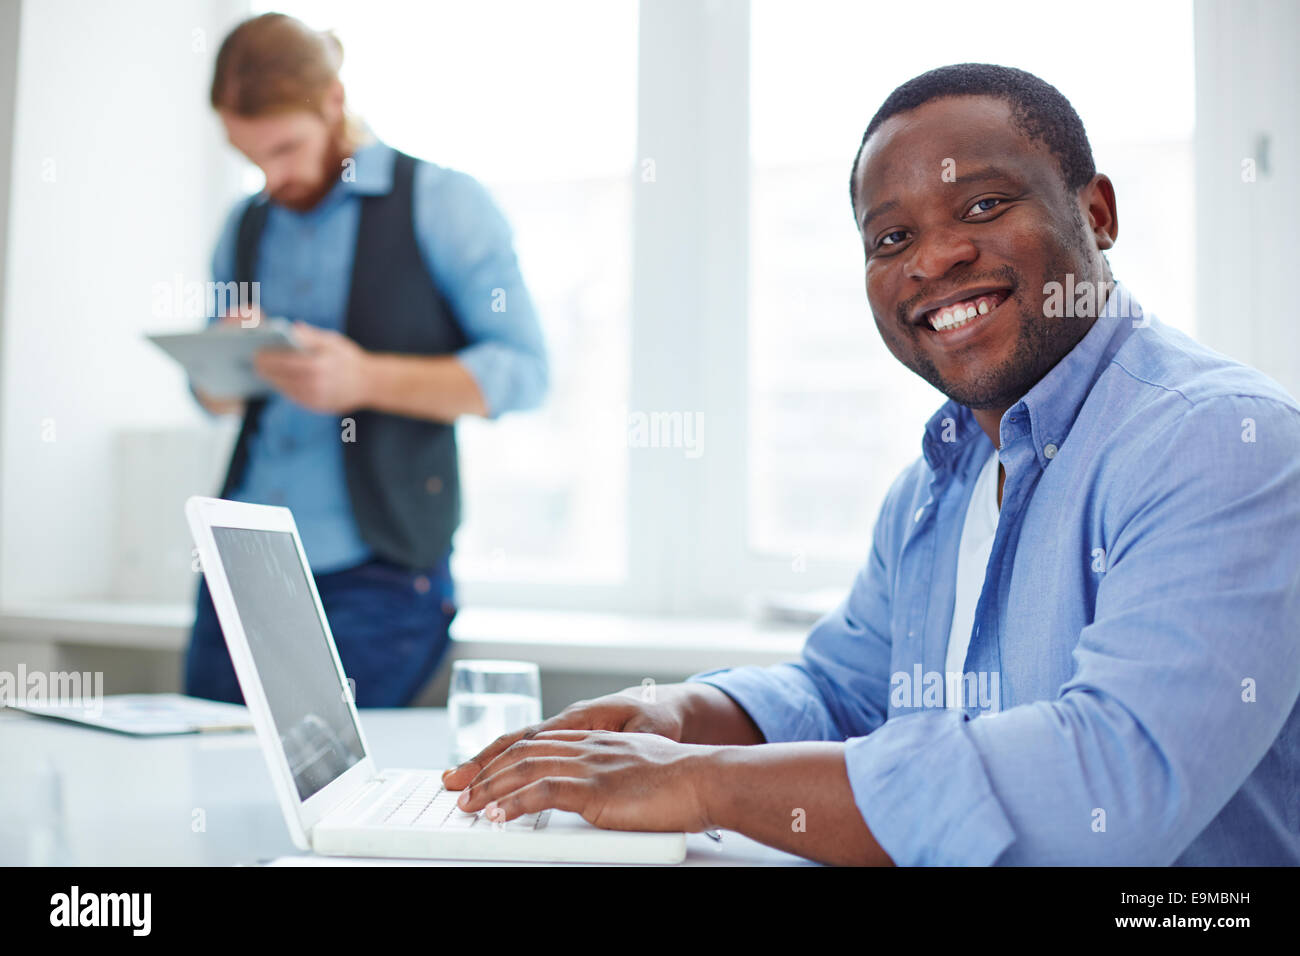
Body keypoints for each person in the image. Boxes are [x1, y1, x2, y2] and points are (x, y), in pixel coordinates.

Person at [439, 64, 1300, 865]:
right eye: (890, 237)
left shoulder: (1218, 442)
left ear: (1099, 212)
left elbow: (1111, 779)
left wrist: (697, 780)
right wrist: (674, 719)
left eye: (983, 207)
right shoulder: (939, 481)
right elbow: (844, 693)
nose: (931, 259)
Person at [184, 14, 547, 707]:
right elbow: (212, 400)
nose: (272, 176)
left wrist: (364, 379)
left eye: (286, 149)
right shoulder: (247, 224)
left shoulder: (443, 203)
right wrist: (225, 366)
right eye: (251, 157)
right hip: (237, 568)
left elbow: (525, 373)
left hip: (377, 577)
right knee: (202, 779)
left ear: (334, 103)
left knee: (334, 804)